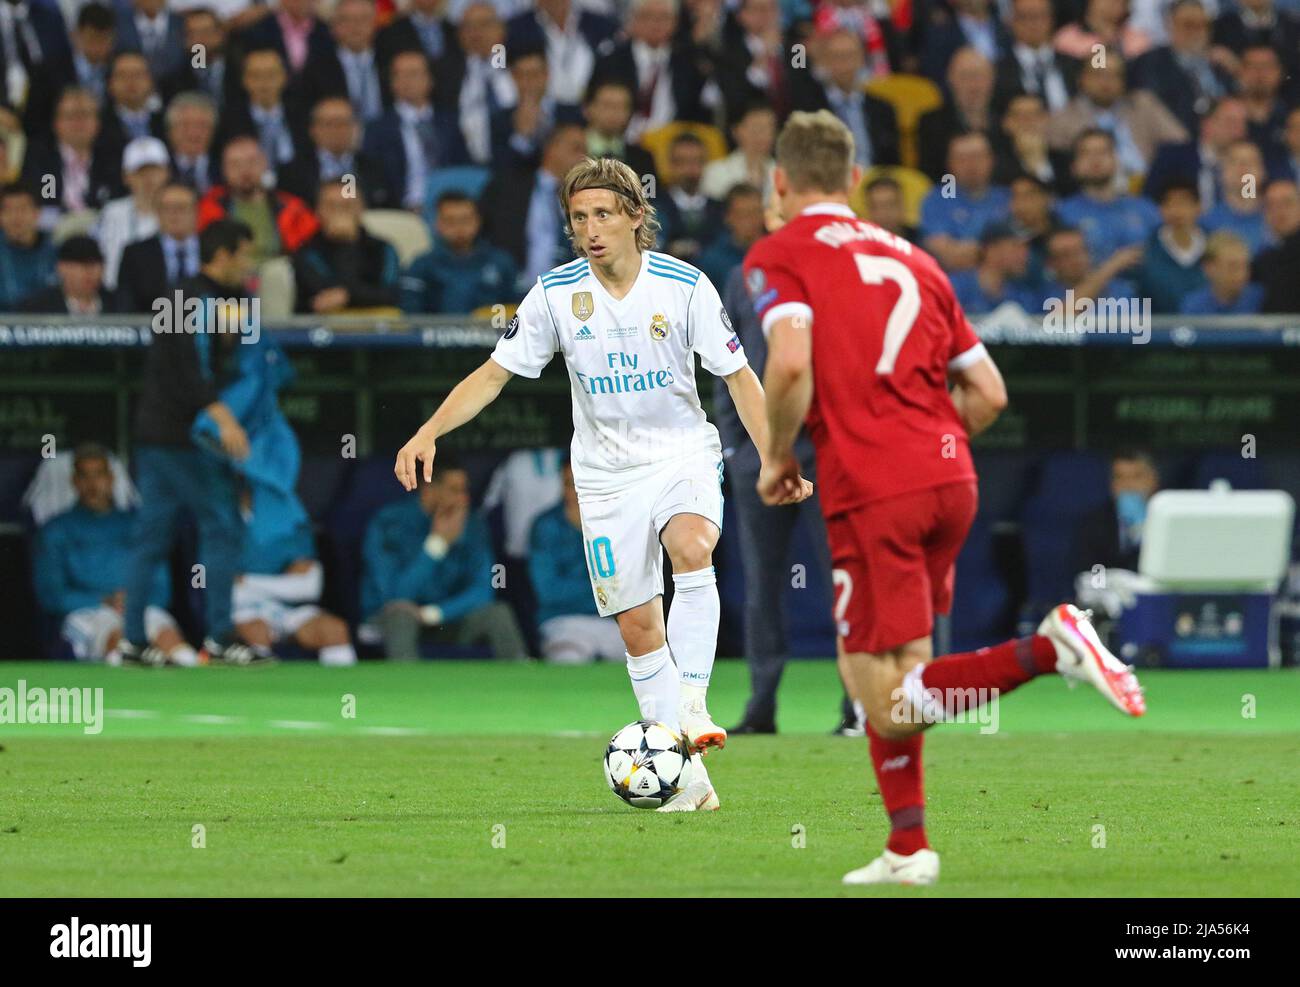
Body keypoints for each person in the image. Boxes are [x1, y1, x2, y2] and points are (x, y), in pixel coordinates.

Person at [750, 109, 1144, 887]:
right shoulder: (918, 258)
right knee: (908, 681)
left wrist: (776, 456)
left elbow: (789, 364)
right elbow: (989, 392)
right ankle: (908, 846)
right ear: (857, 180)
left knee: (879, 694)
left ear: (782, 182)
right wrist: (924, 436)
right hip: (948, 480)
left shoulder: (781, 252)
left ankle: (1050, 645)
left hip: (873, 489)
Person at [394, 155, 814, 812]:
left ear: (635, 217)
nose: (591, 230)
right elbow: (494, 374)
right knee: (640, 629)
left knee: (693, 547)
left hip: (681, 454)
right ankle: (688, 781)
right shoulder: (557, 294)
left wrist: (773, 456)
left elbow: (738, 376)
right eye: (579, 217)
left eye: (603, 215)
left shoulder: (684, 285)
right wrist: (429, 430)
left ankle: (692, 704)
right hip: (605, 478)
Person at [118, 219, 261, 667]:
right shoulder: (182, 297)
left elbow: (239, 359)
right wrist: (223, 417)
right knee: (221, 525)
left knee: (152, 539)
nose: (249, 264)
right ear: (223, 255)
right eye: (244, 255)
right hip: (180, 438)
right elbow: (186, 366)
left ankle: (133, 641)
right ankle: (219, 636)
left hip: (166, 437)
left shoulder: (236, 300)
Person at [34, 442, 196, 666]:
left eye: (99, 475)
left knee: (176, 647)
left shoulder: (139, 526)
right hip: (87, 613)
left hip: (140, 606)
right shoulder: (56, 530)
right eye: (84, 476)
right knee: (118, 640)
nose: (92, 485)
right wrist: (104, 601)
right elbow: (51, 595)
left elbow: (162, 589)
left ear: (111, 479)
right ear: (74, 482)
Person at [362, 457, 528, 660]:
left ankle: (523, 689)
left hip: (448, 618)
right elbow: (395, 595)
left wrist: (432, 614)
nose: (463, 499)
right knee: (400, 616)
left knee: (498, 613)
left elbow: (484, 590)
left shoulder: (473, 524)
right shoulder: (389, 522)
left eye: (464, 490)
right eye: (454, 490)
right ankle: (407, 690)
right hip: (392, 620)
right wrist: (436, 545)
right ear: (428, 489)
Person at [528, 460, 626, 663]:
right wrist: (604, 591)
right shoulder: (546, 525)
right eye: (568, 483)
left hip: (611, 623)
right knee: (568, 659)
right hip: (563, 621)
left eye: (580, 482)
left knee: (659, 661)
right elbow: (548, 591)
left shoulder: (613, 521)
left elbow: (628, 585)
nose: (574, 491)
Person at [400, 192, 518, 313]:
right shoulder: (420, 266)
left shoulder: (502, 262)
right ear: (438, 223)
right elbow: (410, 316)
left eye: (465, 220)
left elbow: (520, 310)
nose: (459, 227)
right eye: (450, 221)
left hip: (492, 331)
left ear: (478, 221)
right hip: (435, 331)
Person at [292, 181, 400, 313]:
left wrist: (348, 296)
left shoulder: (384, 249)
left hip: (378, 328)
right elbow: (323, 293)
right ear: (318, 210)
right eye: (331, 206)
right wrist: (345, 245)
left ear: (361, 208)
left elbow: (392, 294)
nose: (339, 213)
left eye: (347, 206)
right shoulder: (306, 252)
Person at [20, 235, 121, 314]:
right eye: (82, 265)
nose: (90, 272)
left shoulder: (118, 305)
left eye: (95, 265)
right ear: (61, 268)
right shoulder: (37, 308)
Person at [0, 183, 58, 309]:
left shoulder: (55, 251)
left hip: (46, 325)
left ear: (37, 213)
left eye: (22, 209)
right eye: (8, 210)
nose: (16, 217)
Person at [1178, 231, 1265, 314]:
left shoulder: (1261, 300)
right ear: (1209, 268)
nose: (1241, 274)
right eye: (1233, 266)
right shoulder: (1193, 307)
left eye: (1245, 266)